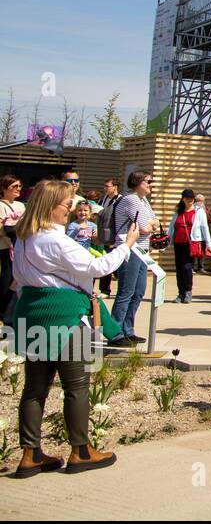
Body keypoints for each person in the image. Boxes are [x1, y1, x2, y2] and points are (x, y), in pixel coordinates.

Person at [11, 180, 139, 476]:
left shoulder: (24, 237)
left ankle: (30, 454)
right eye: (66, 205)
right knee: (77, 386)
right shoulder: (56, 240)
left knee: (34, 388)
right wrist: (127, 245)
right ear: (49, 206)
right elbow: (97, 268)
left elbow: (19, 277)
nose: (70, 210)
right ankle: (81, 450)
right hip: (66, 314)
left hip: (32, 313)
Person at [109, 170, 160, 346]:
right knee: (126, 291)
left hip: (142, 251)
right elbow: (146, 228)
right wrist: (151, 225)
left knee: (138, 292)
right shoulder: (130, 199)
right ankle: (114, 332)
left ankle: (127, 330)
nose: (151, 184)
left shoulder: (143, 201)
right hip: (129, 249)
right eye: (148, 181)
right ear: (138, 182)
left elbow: (155, 221)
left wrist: (151, 224)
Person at [168, 188, 211, 304]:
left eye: (192, 198)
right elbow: (172, 227)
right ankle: (180, 292)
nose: (190, 200)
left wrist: (209, 244)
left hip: (191, 243)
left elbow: (204, 228)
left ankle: (188, 291)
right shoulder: (178, 211)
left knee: (187, 267)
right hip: (178, 242)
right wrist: (167, 240)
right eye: (187, 198)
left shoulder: (199, 211)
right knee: (179, 268)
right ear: (182, 199)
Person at [94, 179, 121, 293]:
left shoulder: (120, 200)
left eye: (107, 186)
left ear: (115, 187)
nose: (105, 188)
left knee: (111, 263)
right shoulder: (104, 199)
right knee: (103, 260)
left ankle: (106, 290)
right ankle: (102, 289)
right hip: (103, 232)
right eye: (104, 186)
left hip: (112, 235)